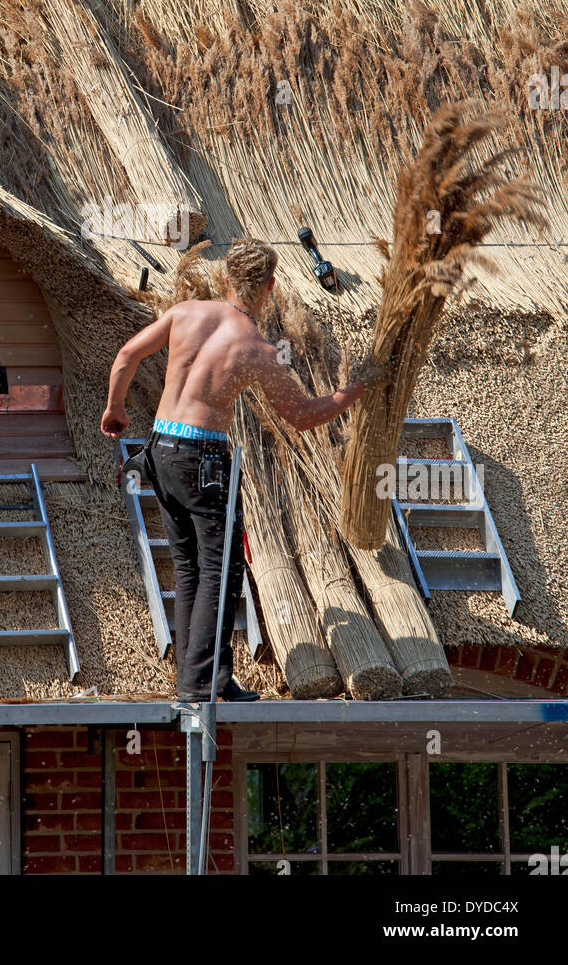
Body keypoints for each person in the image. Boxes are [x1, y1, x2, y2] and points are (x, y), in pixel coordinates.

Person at [100, 237, 389, 703]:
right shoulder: (258, 348)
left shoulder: (185, 312)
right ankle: (207, 685)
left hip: (159, 451)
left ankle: (192, 683)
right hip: (202, 458)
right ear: (270, 286)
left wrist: (115, 410)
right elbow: (302, 416)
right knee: (220, 569)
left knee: (189, 567)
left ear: (228, 277)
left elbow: (126, 356)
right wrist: (355, 390)